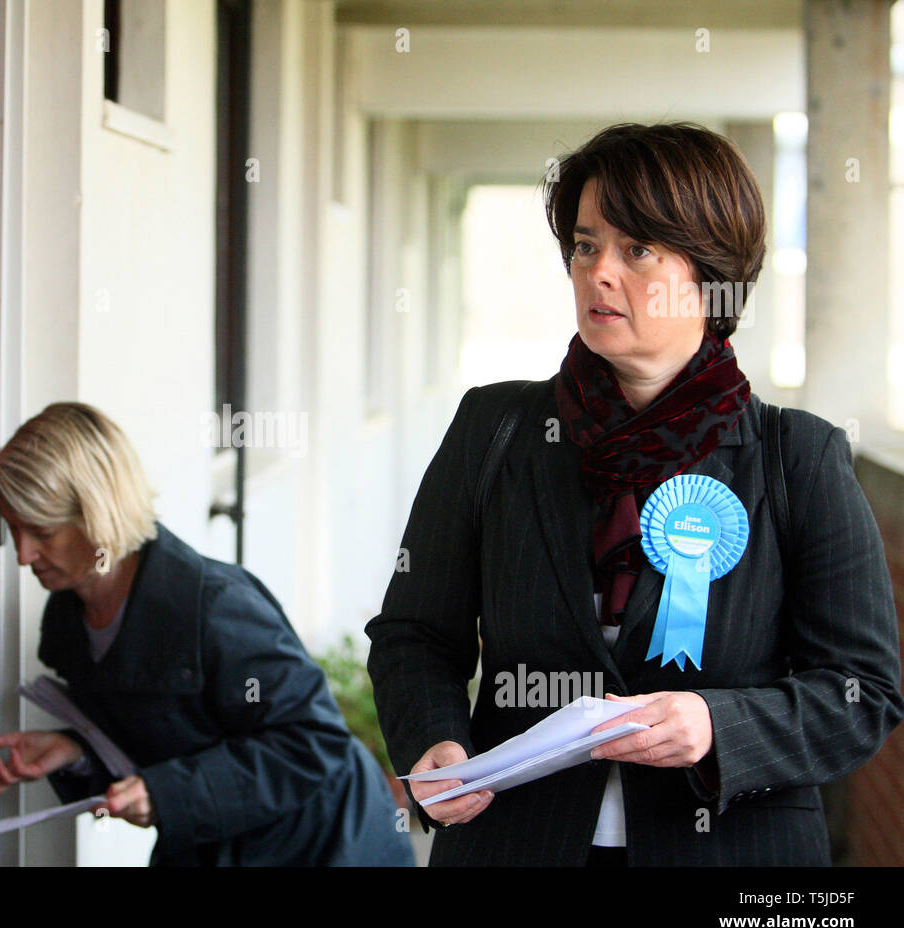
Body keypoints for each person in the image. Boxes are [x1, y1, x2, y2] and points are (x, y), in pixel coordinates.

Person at [366, 122, 904, 867]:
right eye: (586, 246)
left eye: (636, 250)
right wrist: (434, 739)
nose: (598, 274)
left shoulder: (798, 456)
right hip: (516, 843)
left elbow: (862, 691)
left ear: (711, 271)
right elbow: (414, 633)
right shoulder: (495, 428)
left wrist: (719, 723)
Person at [0, 402, 413, 866]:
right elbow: (163, 735)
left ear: (96, 512)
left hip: (323, 846)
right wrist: (76, 751)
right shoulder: (68, 615)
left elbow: (312, 742)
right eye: (13, 528)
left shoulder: (217, 606)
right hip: (214, 849)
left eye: (42, 531)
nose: (24, 555)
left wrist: (167, 794)